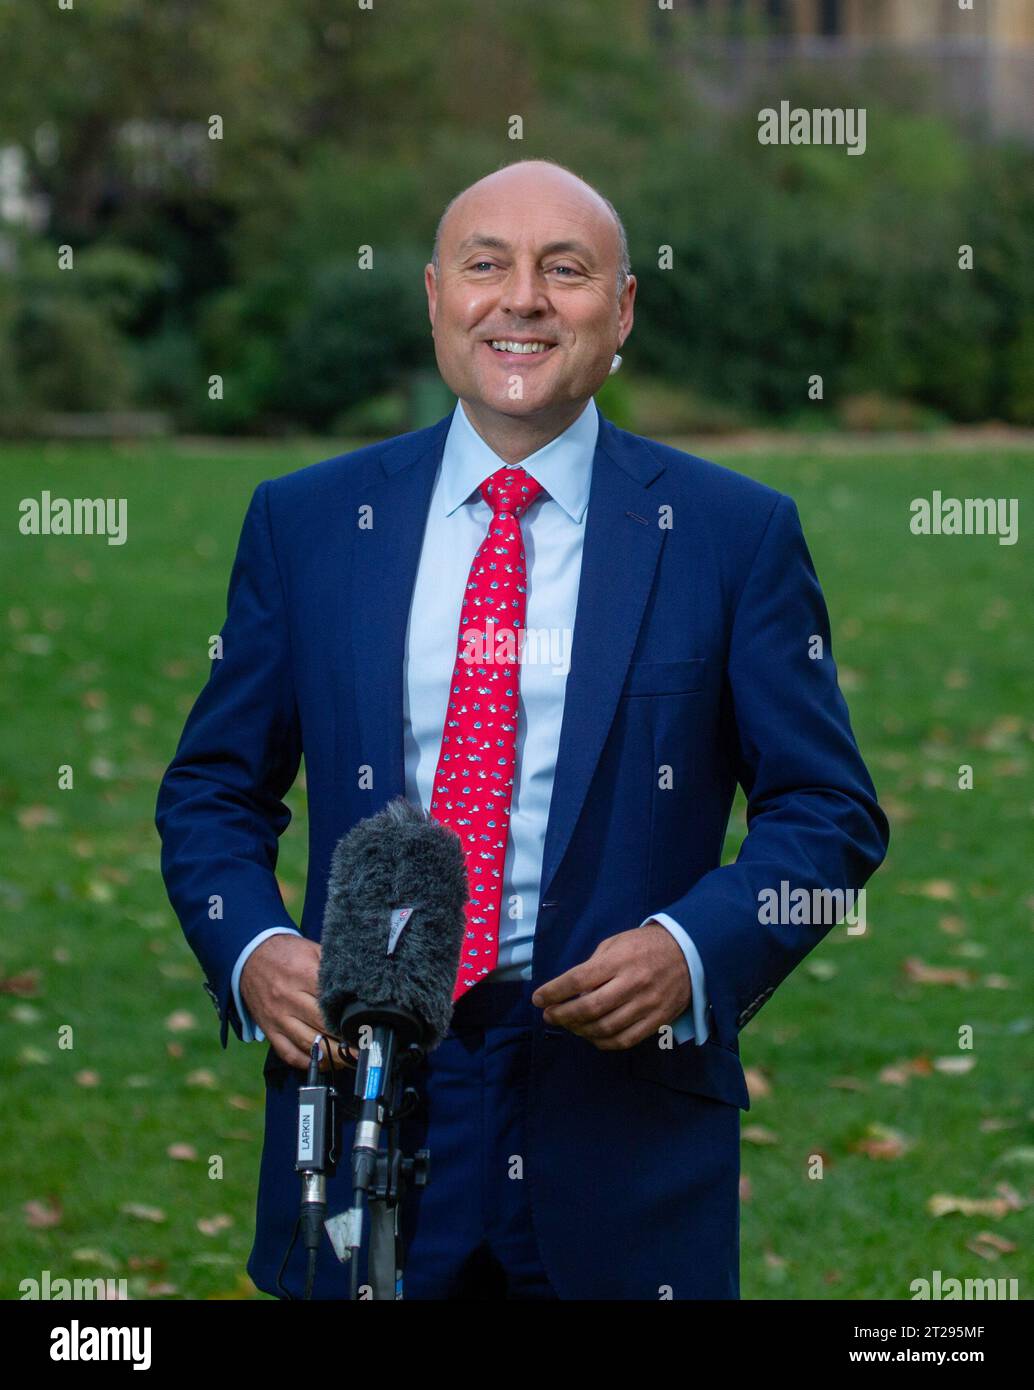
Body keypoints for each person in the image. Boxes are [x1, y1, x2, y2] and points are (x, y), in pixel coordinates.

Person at [155, 157, 889, 1300]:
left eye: (566, 269)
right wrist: (253, 950)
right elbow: (212, 787)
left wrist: (693, 949)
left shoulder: (729, 535)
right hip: (363, 1101)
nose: (522, 300)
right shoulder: (307, 523)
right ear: (437, 297)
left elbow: (828, 808)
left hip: (621, 1122)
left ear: (622, 310)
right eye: (485, 265)